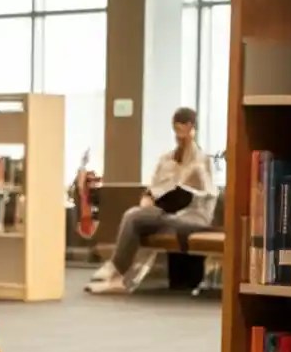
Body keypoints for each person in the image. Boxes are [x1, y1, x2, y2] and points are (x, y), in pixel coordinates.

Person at [87, 107, 217, 294]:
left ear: (192, 129)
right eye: (177, 133)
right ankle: (118, 275)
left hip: (192, 215)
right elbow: (155, 188)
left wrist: (186, 176)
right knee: (134, 215)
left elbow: (203, 192)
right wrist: (148, 200)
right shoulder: (166, 159)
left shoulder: (202, 160)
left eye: (184, 133)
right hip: (167, 212)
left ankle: (119, 272)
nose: (179, 138)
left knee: (136, 219)